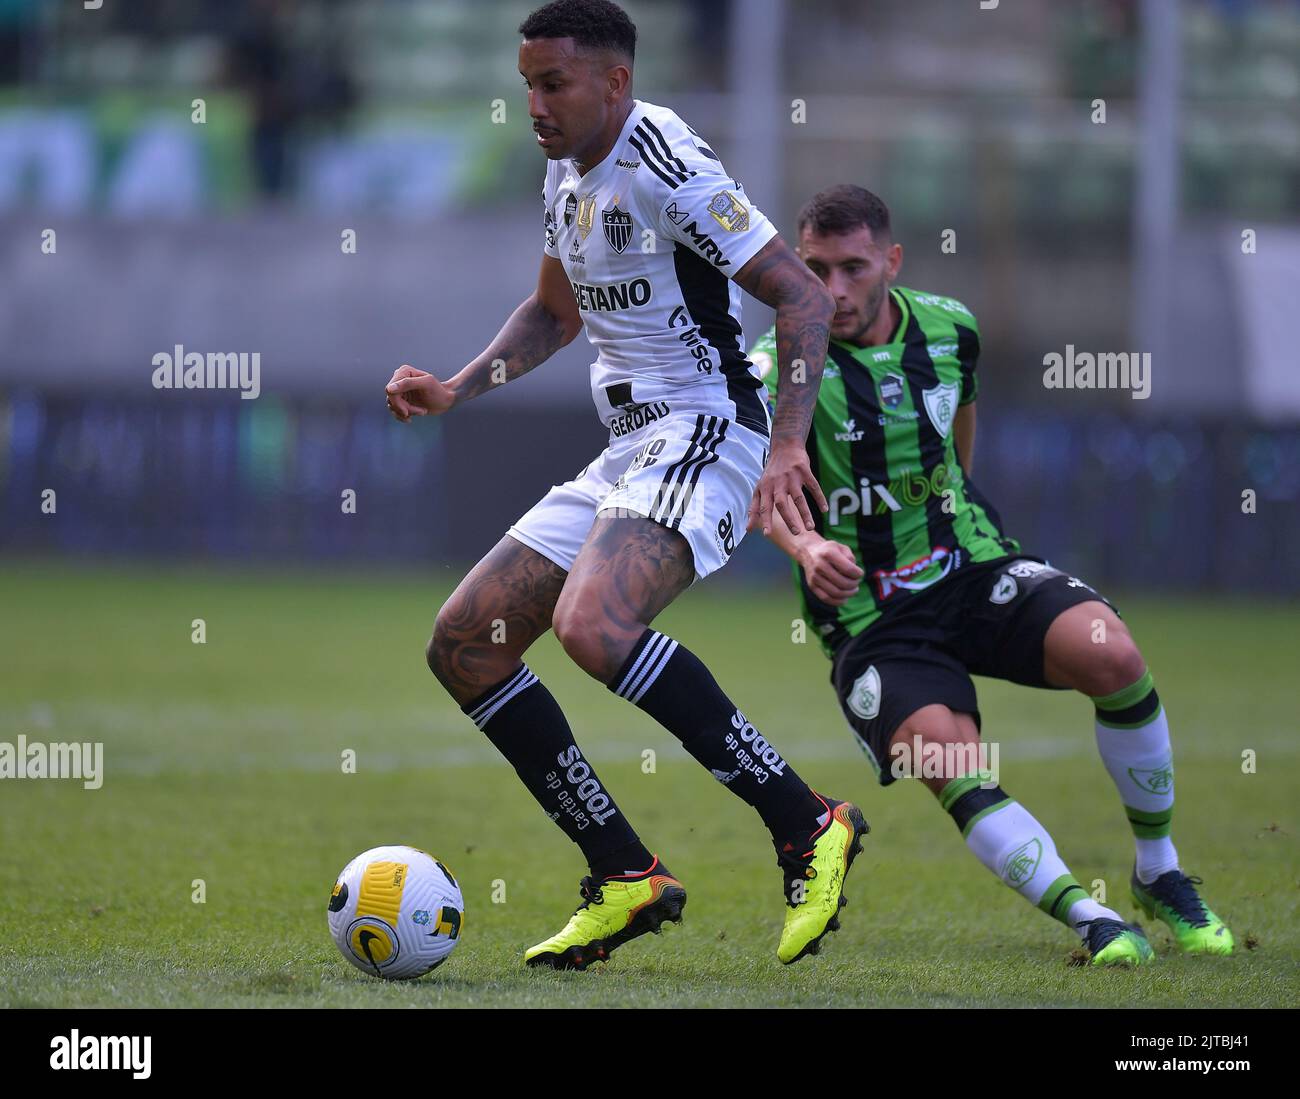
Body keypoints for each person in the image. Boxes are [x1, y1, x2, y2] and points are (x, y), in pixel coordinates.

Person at [384, 0, 867, 970]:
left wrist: (785, 447)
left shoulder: (665, 160)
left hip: (708, 429)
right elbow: (552, 315)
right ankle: (622, 873)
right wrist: (456, 388)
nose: (533, 103)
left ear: (615, 80)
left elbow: (801, 294)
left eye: (552, 83)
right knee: (464, 644)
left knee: (592, 626)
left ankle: (806, 823)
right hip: (629, 448)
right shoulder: (565, 173)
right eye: (525, 83)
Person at [753, 183, 1233, 966]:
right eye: (813, 270)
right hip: (873, 619)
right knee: (949, 759)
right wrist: (807, 549)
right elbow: (761, 487)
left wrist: (961, 521)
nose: (831, 290)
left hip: (970, 569)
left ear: (891, 262)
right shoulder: (775, 362)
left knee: (1113, 653)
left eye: (851, 267)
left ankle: (1161, 872)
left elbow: (959, 440)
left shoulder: (950, 329)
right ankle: (1093, 919)